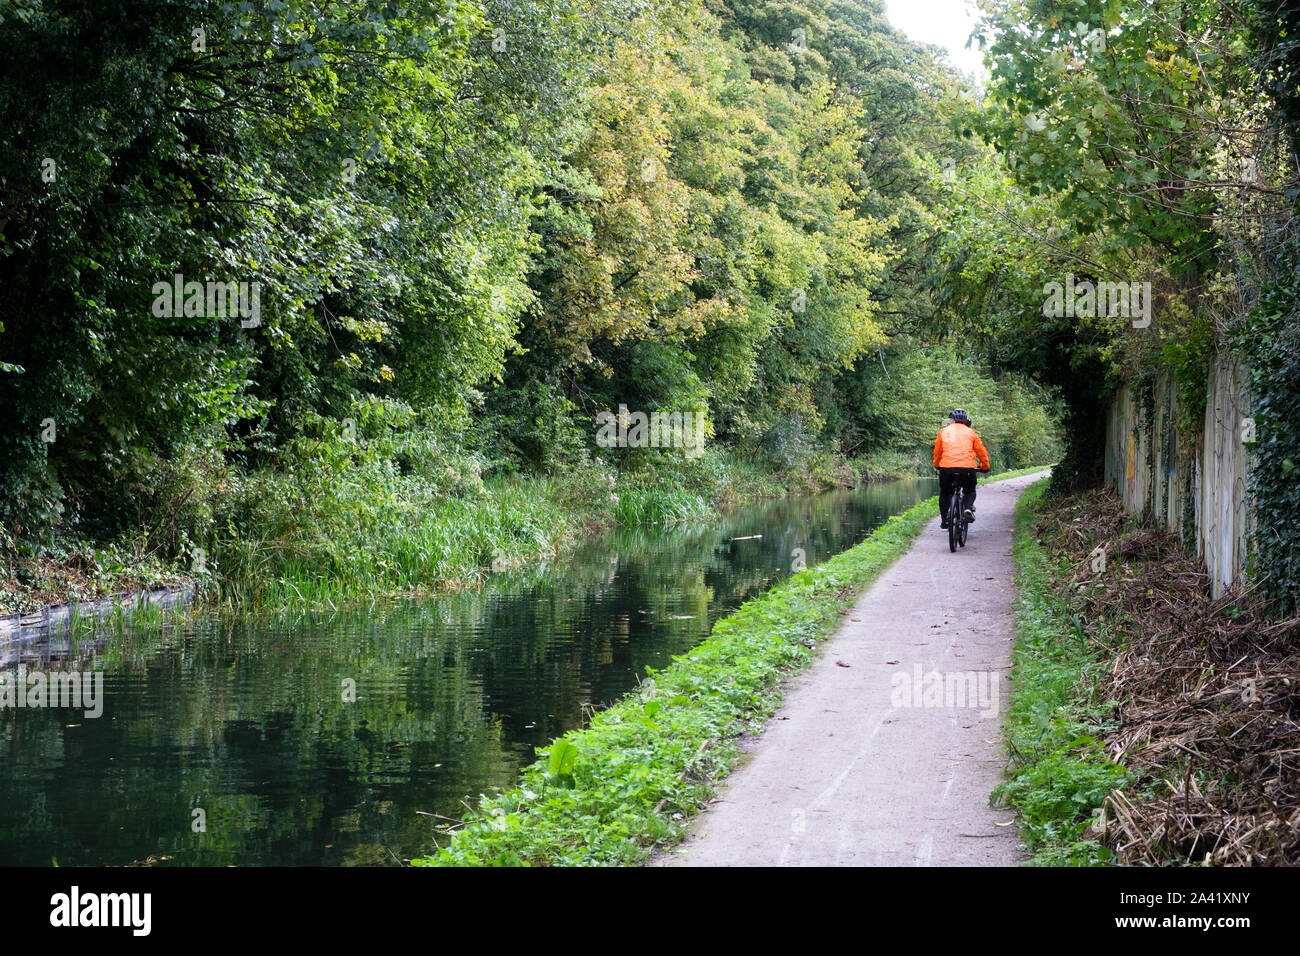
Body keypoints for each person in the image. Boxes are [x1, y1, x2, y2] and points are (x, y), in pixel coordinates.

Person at [933, 409, 989, 529]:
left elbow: (938, 452)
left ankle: (944, 520)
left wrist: (937, 465)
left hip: (946, 468)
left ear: (950, 421)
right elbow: (981, 452)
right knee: (970, 491)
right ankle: (968, 508)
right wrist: (985, 466)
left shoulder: (943, 431)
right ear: (966, 421)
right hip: (967, 469)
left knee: (945, 493)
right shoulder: (971, 433)